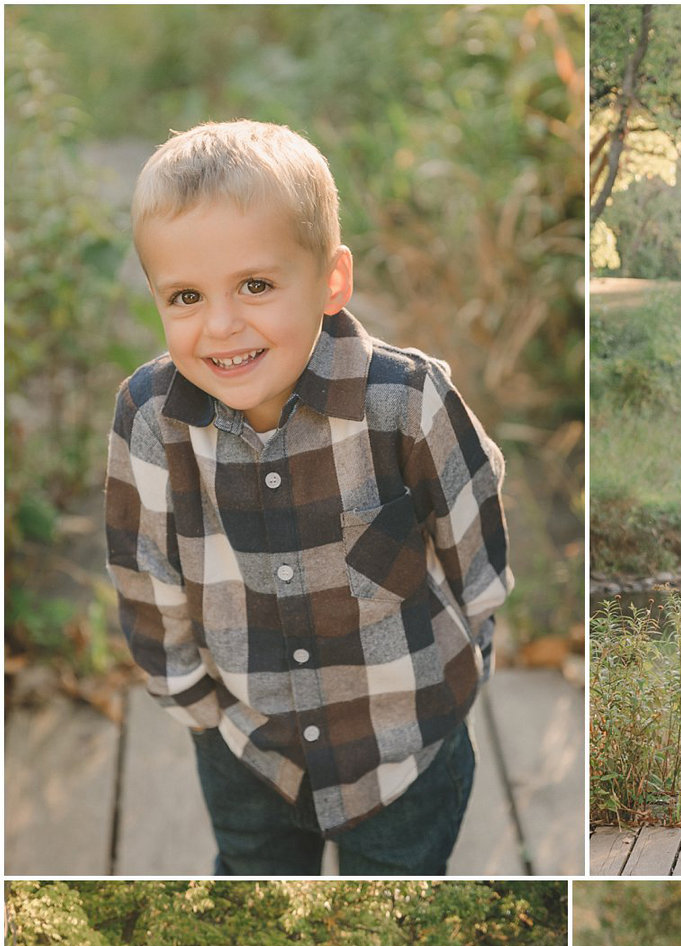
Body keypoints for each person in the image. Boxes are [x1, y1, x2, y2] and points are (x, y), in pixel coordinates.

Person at [105, 120, 512, 876]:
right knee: (255, 894)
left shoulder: (405, 401)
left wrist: (468, 661)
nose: (221, 325)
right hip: (250, 750)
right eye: (186, 296)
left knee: (395, 909)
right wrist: (194, 704)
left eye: (255, 285)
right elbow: (144, 570)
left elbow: (472, 535)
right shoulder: (151, 419)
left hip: (407, 749)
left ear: (331, 279)